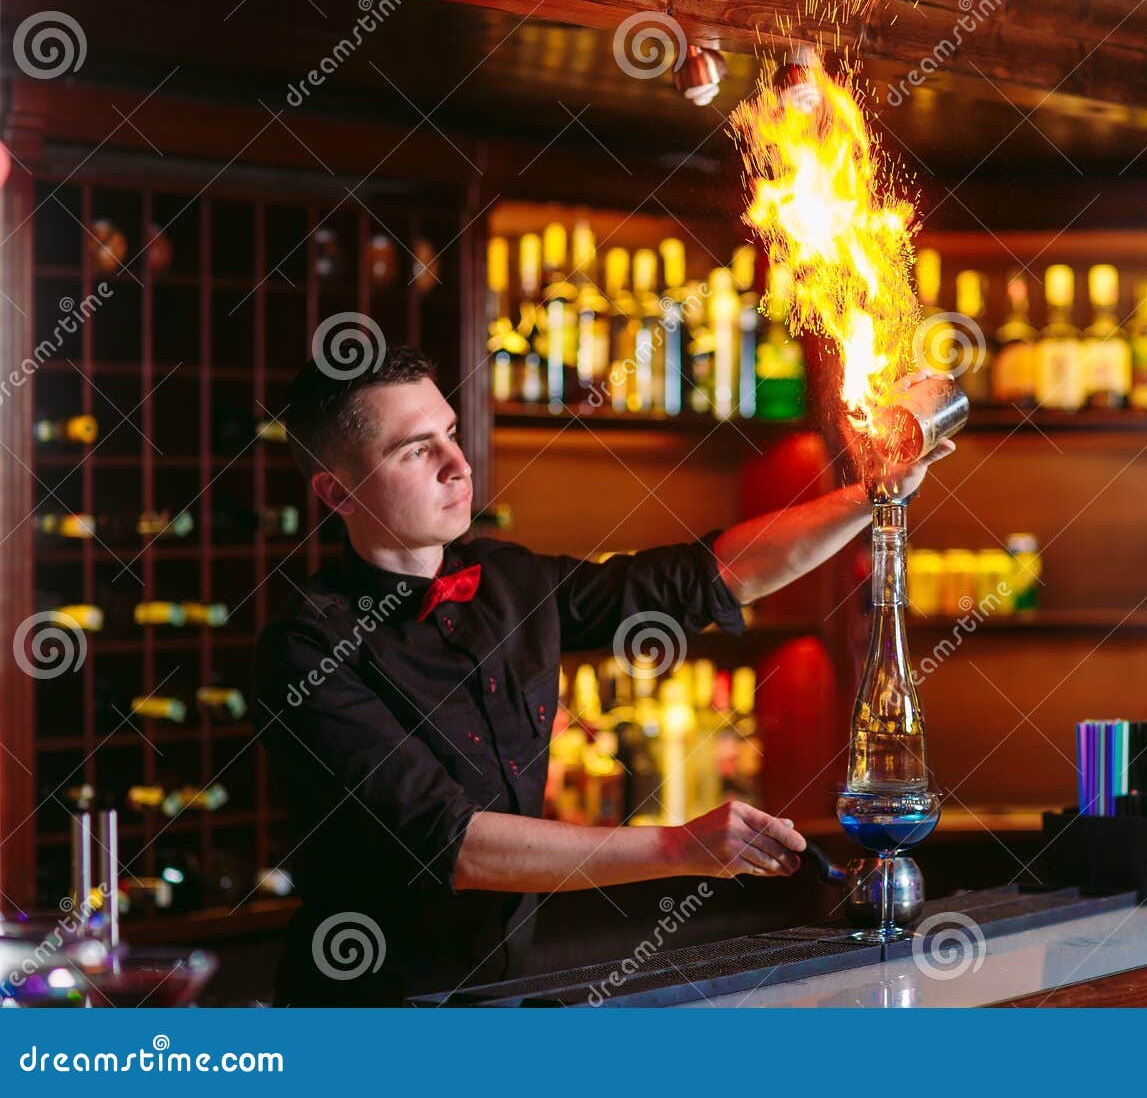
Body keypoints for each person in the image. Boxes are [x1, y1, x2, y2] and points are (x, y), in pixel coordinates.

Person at [252, 345, 955, 1004]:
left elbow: (706, 576)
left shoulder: (509, 580)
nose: (456, 463)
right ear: (337, 493)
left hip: (500, 996)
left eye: (450, 432)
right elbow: (453, 843)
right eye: (415, 449)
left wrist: (872, 494)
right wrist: (680, 845)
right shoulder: (306, 649)